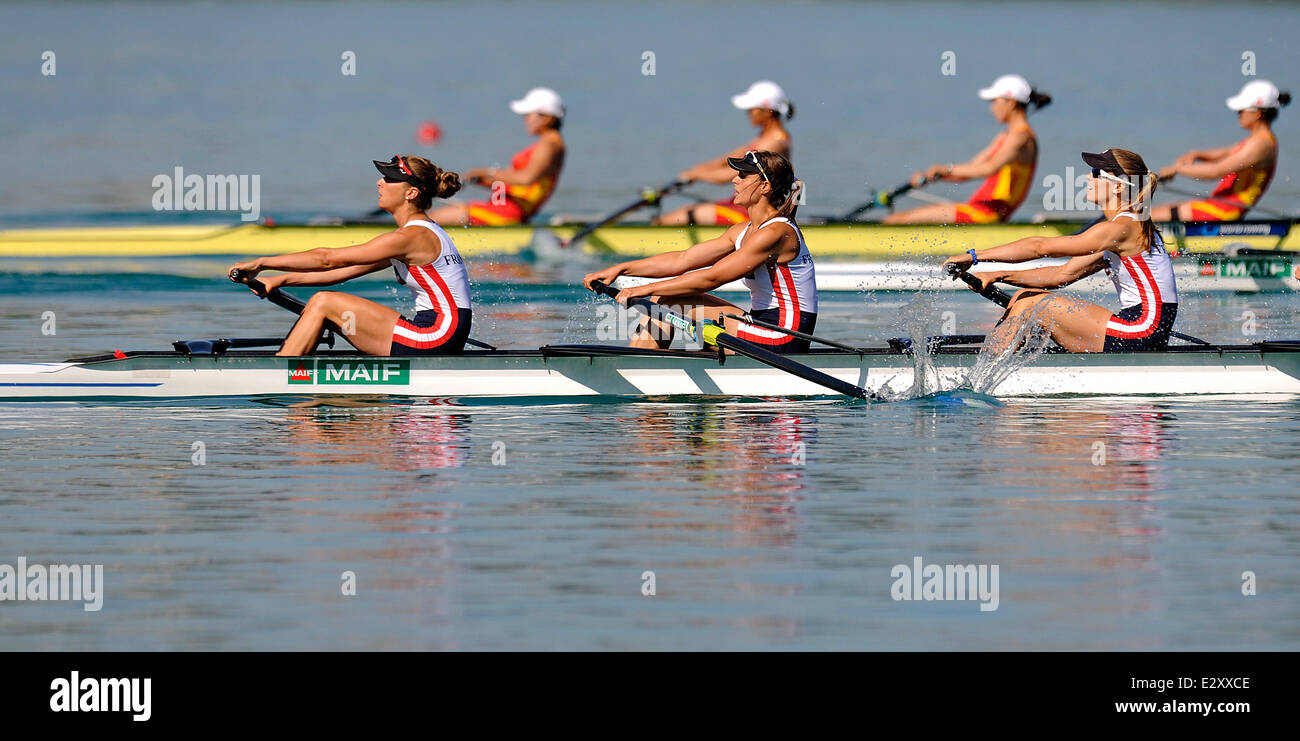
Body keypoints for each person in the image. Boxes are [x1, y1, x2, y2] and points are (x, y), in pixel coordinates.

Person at [229, 155, 473, 356]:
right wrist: (280, 280)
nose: (380, 182)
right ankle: (290, 366)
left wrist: (262, 263)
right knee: (326, 302)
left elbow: (327, 259)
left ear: (410, 194)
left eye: (390, 179)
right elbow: (341, 272)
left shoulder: (411, 237)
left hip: (434, 336)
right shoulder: (420, 234)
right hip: (444, 335)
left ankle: (281, 372)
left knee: (324, 302)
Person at [943, 149, 1177, 353]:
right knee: (1022, 297)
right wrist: (997, 275)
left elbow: (1040, 247)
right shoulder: (1124, 230)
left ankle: (982, 366)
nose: (1088, 177)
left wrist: (974, 257)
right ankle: (1002, 356)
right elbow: (1061, 275)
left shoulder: (1121, 228)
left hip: (1143, 328)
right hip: (1145, 328)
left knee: (1031, 304)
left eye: (1096, 174)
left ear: (1118, 186)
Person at [584, 151, 816, 352]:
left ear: (765, 186)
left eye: (743, 175)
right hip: (760, 323)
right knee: (665, 299)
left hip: (784, 336)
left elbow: (711, 278)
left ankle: (637, 372)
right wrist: (622, 269)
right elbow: (683, 260)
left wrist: (644, 289)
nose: (734, 179)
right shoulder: (742, 230)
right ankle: (643, 365)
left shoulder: (775, 232)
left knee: (664, 301)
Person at [884, 74, 1049, 225]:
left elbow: (989, 168)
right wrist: (934, 175)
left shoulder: (1021, 138)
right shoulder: (1005, 137)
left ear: (1011, 102)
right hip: (977, 209)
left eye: (994, 101)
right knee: (899, 219)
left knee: (896, 221)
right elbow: (972, 168)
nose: (992, 108)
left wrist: (946, 168)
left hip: (987, 214)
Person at [654, 81, 794, 226]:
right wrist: (697, 169)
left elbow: (729, 175)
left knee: (679, 216)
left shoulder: (773, 143)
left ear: (767, 110)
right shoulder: (765, 137)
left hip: (753, 212)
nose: (748, 114)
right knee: (687, 211)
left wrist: (695, 175)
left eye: (751, 109)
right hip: (745, 203)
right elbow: (726, 159)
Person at [428, 87, 566, 226]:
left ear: (547, 117)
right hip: (503, 207)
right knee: (432, 217)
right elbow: (518, 183)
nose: (526, 120)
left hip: (507, 213)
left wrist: (486, 172)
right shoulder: (550, 144)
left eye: (528, 115)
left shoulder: (549, 145)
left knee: (427, 220)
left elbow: (526, 178)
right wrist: (479, 179)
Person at [1154, 80, 1289, 221]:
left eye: (1241, 110)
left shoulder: (1261, 145)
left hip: (1225, 212)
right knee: (1154, 213)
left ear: (1258, 113)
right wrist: (1196, 154)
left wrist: (1178, 169)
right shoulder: (1256, 139)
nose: (1238, 114)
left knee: (1147, 217)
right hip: (1218, 205)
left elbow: (1216, 171)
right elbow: (1226, 153)